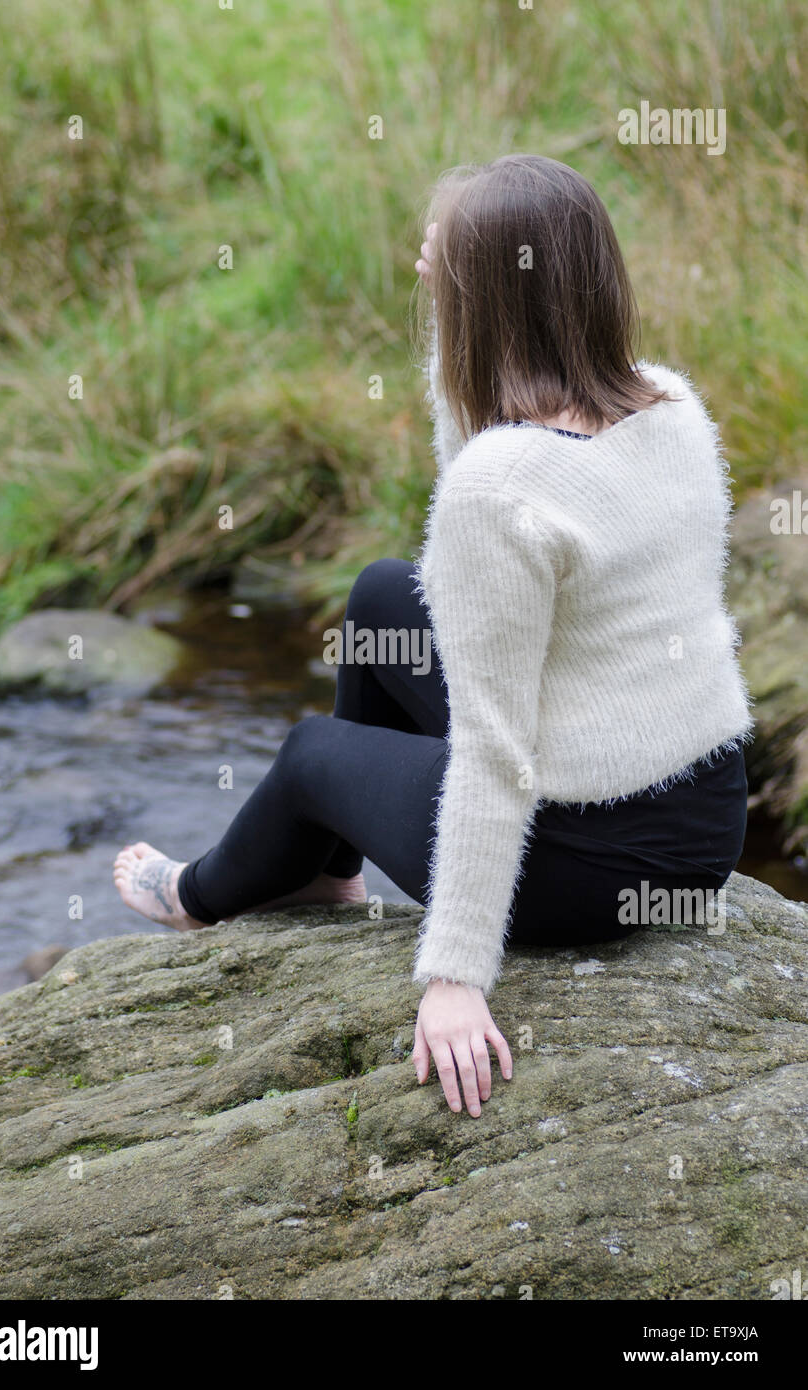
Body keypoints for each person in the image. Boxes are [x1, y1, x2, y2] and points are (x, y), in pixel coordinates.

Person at [114, 154, 752, 1119]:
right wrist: (470, 311)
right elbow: (495, 457)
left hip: (583, 865)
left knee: (312, 754)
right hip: (703, 818)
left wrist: (455, 975)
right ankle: (326, 876)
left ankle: (195, 898)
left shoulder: (498, 492)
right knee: (382, 596)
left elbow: (495, 752)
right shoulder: (669, 404)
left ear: (476, 304)